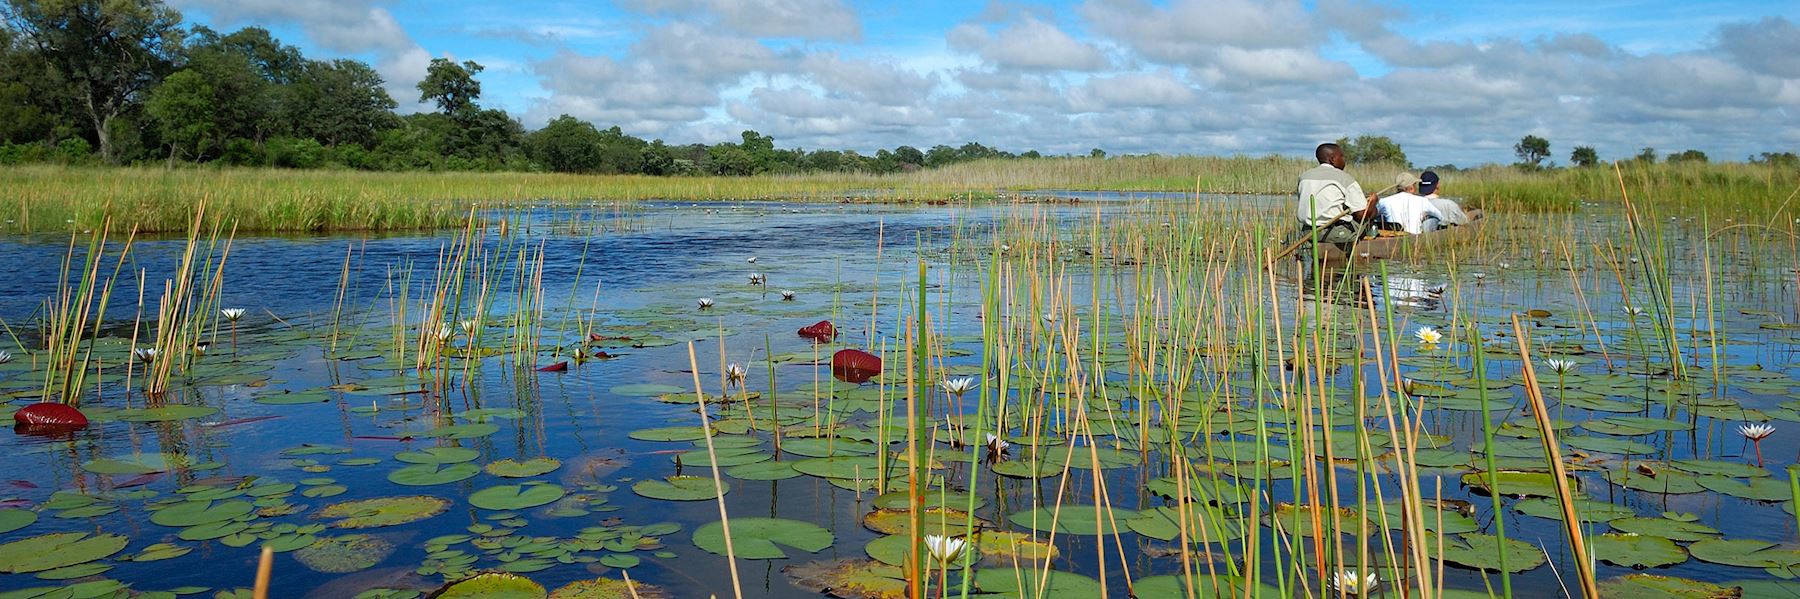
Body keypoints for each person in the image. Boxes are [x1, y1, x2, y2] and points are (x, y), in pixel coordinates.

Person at [1296, 143, 1379, 246]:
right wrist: (1373, 201)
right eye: (1342, 157)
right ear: (1333, 159)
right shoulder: (1344, 178)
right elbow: (1362, 215)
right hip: (1334, 234)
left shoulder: (1304, 177)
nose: (1344, 160)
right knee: (1373, 211)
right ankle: (1359, 246)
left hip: (1308, 232)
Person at [1378, 171, 1444, 234]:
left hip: (1394, 237)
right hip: (1415, 237)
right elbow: (1440, 216)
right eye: (1415, 184)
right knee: (1433, 218)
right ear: (1412, 187)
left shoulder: (1384, 201)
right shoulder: (1422, 201)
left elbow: (1370, 214)